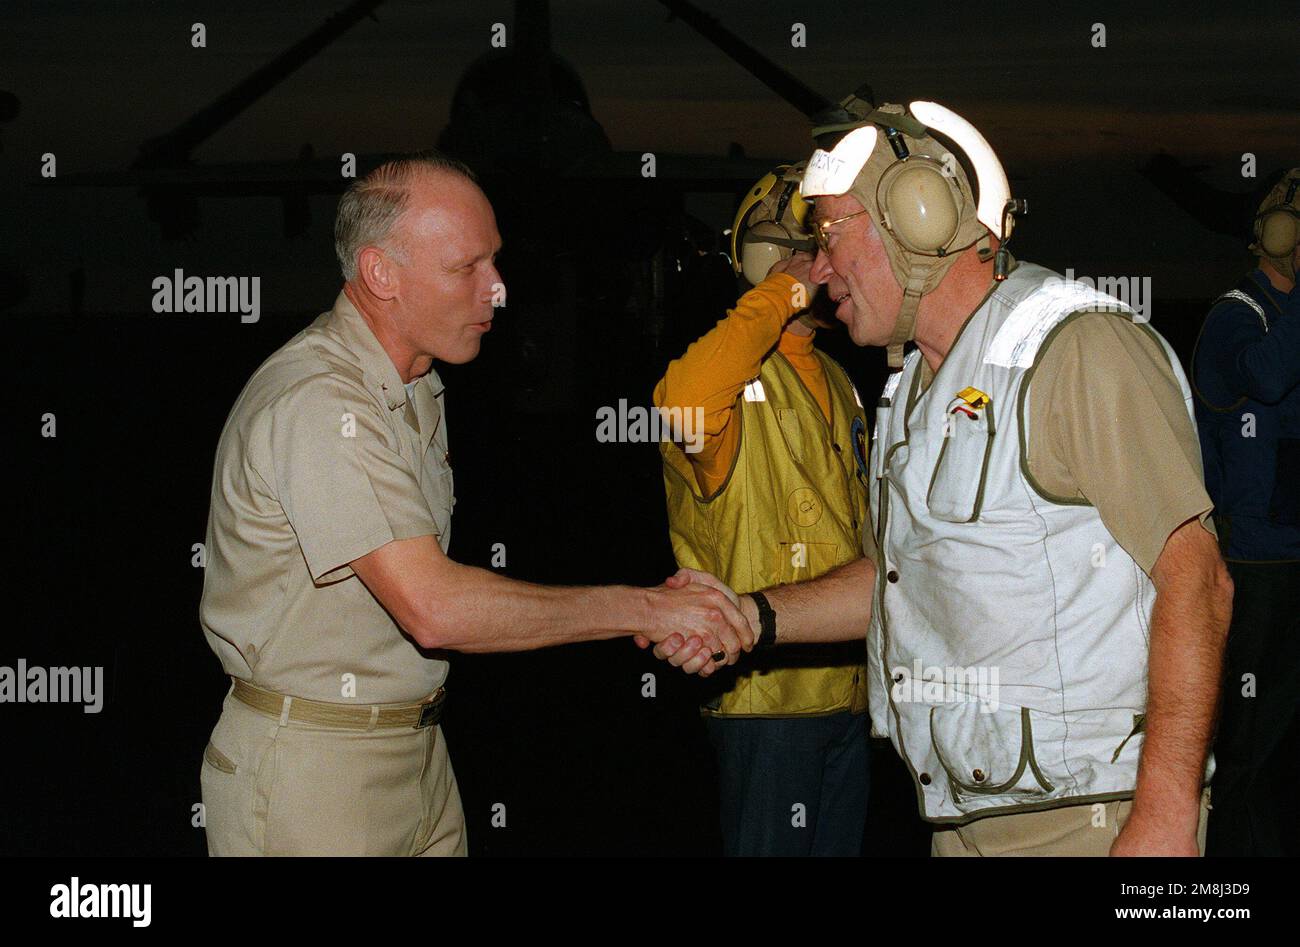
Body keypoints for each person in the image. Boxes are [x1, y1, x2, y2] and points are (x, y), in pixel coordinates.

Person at [649, 94, 1232, 856]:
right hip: (964, 824)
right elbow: (896, 584)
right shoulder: (914, 392)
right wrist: (752, 617)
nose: (817, 268)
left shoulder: (1077, 349)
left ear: (915, 216)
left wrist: (1164, 813)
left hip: (1093, 822)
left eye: (829, 233)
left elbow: (1198, 580)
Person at [198, 151, 751, 856]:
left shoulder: (413, 386)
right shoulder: (322, 404)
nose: (497, 291)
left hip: (414, 748)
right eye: (467, 268)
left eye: (495, 262)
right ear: (380, 274)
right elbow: (435, 609)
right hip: (317, 769)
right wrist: (648, 608)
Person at [654, 166, 870, 856]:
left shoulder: (838, 377)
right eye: (821, 249)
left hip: (850, 693)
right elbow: (681, 398)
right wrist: (787, 286)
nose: (838, 266)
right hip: (766, 703)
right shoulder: (733, 376)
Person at [1192, 168, 1300, 856]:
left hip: (1289, 549)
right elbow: (1264, 375)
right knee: (1243, 741)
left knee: (1276, 739)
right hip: (1253, 557)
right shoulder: (1240, 314)